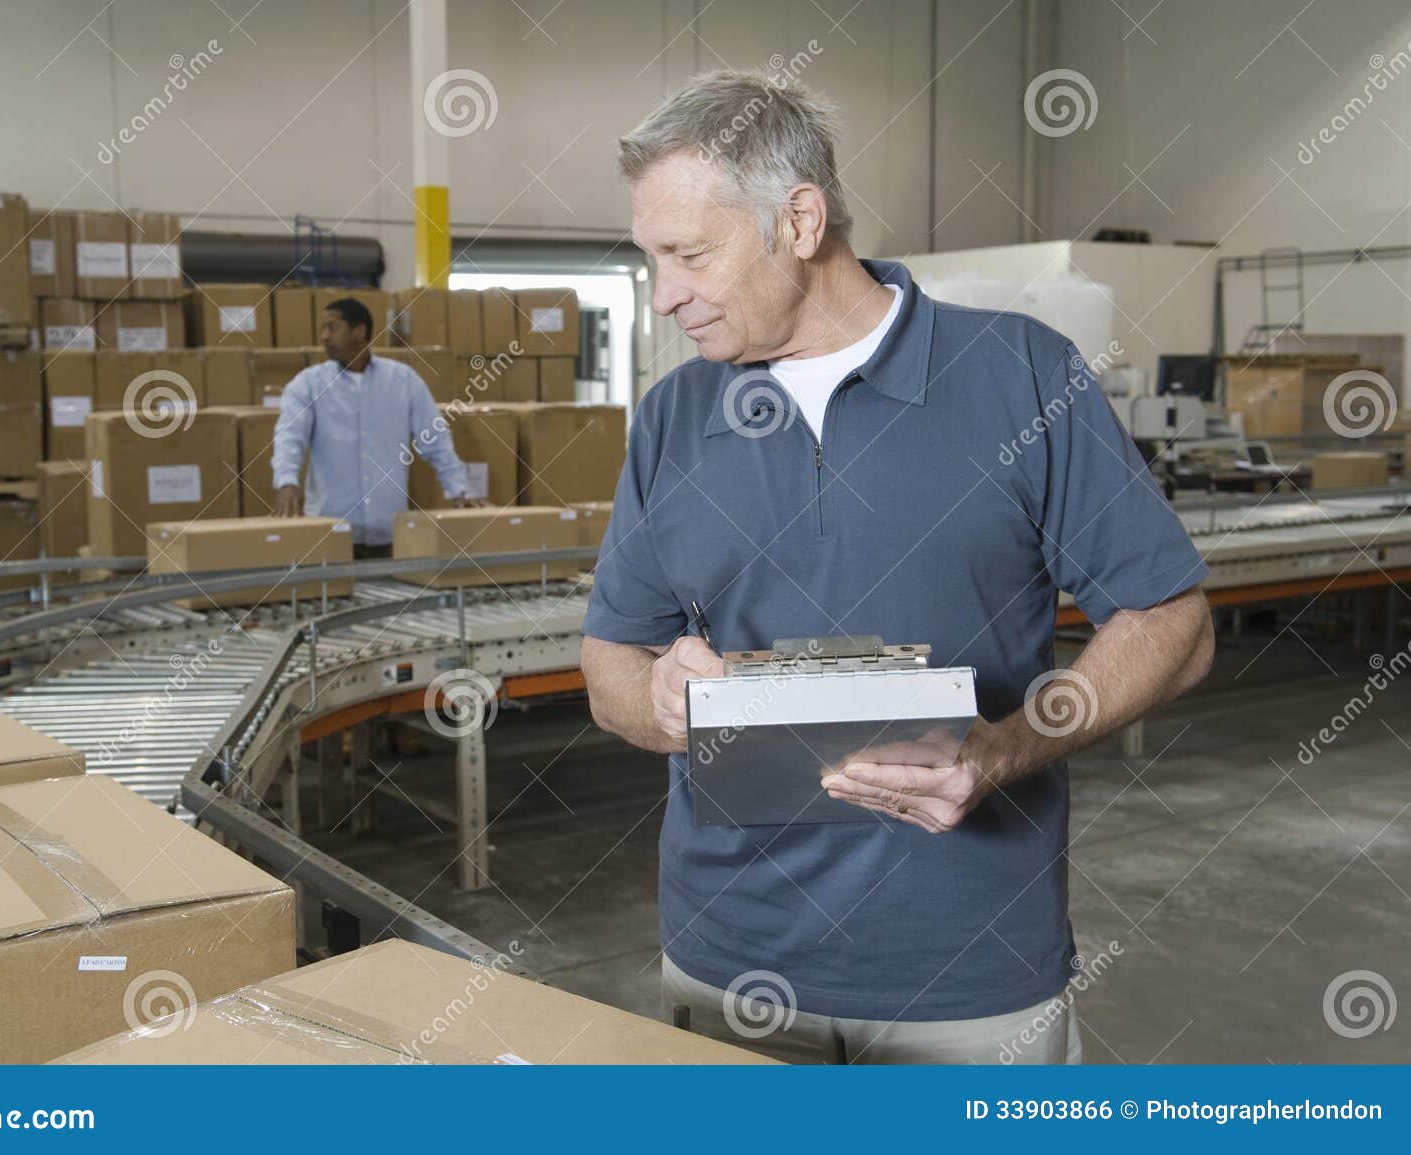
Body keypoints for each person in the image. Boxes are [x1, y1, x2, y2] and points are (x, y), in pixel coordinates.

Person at [579, 72, 1215, 1064]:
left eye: (688, 255)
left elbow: (1172, 625)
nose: (664, 296)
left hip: (966, 972)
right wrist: (658, 701)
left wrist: (1004, 750)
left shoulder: (1020, 377)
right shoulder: (675, 415)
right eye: (650, 259)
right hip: (727, 963)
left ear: (799, 220)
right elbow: (609, 661)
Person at [272, 295, 482, 556]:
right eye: (323, 328)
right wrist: (287, 481)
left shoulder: (403, 380)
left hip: (389, 531)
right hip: (330, 532)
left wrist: (460, 490)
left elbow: (436, 439)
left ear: (359, 331)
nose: (324, 336)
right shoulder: (308, 385)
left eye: (333, 328)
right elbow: (289, 437)